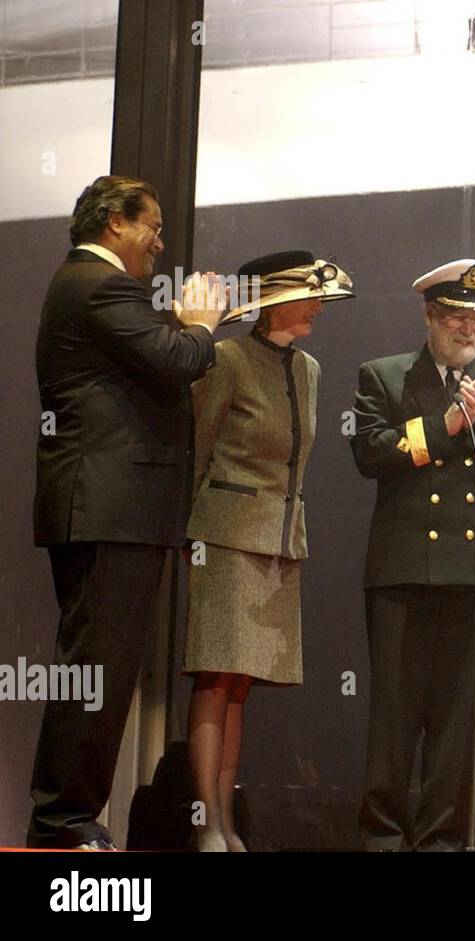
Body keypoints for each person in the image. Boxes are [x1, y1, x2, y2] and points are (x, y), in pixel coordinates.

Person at [30, 175, 225, 849]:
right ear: (115, 222)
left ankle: (68, 817)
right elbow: (175, 358)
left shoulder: (87, 287)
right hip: (108, 508)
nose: (161, 242)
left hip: (108, 508)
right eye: (154, 225)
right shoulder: (98, 284)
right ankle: (63, 822)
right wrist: (200, 324)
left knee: (99, 666)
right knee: (97, 666)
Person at [351, 258, 475, 851]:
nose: (468, 330)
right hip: (403, 572)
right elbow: (371, 454)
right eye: (457, 317)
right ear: (431, 317)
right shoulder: (384, 376)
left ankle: (441, 842)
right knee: (394, 718)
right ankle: (383, 839)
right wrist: (444, 424)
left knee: (459, 724)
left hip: (474, 573)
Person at [183, 250, 355, 851]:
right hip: (227, 536)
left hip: (280, 544)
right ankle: (206, 824)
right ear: (274, 299)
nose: (317, 307)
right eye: (308, 296)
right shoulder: (227, 358)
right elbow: (198, 448)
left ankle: (227, 825)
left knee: (240, 687)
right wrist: (192, 536)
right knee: (215, 679)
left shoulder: (308, 369)